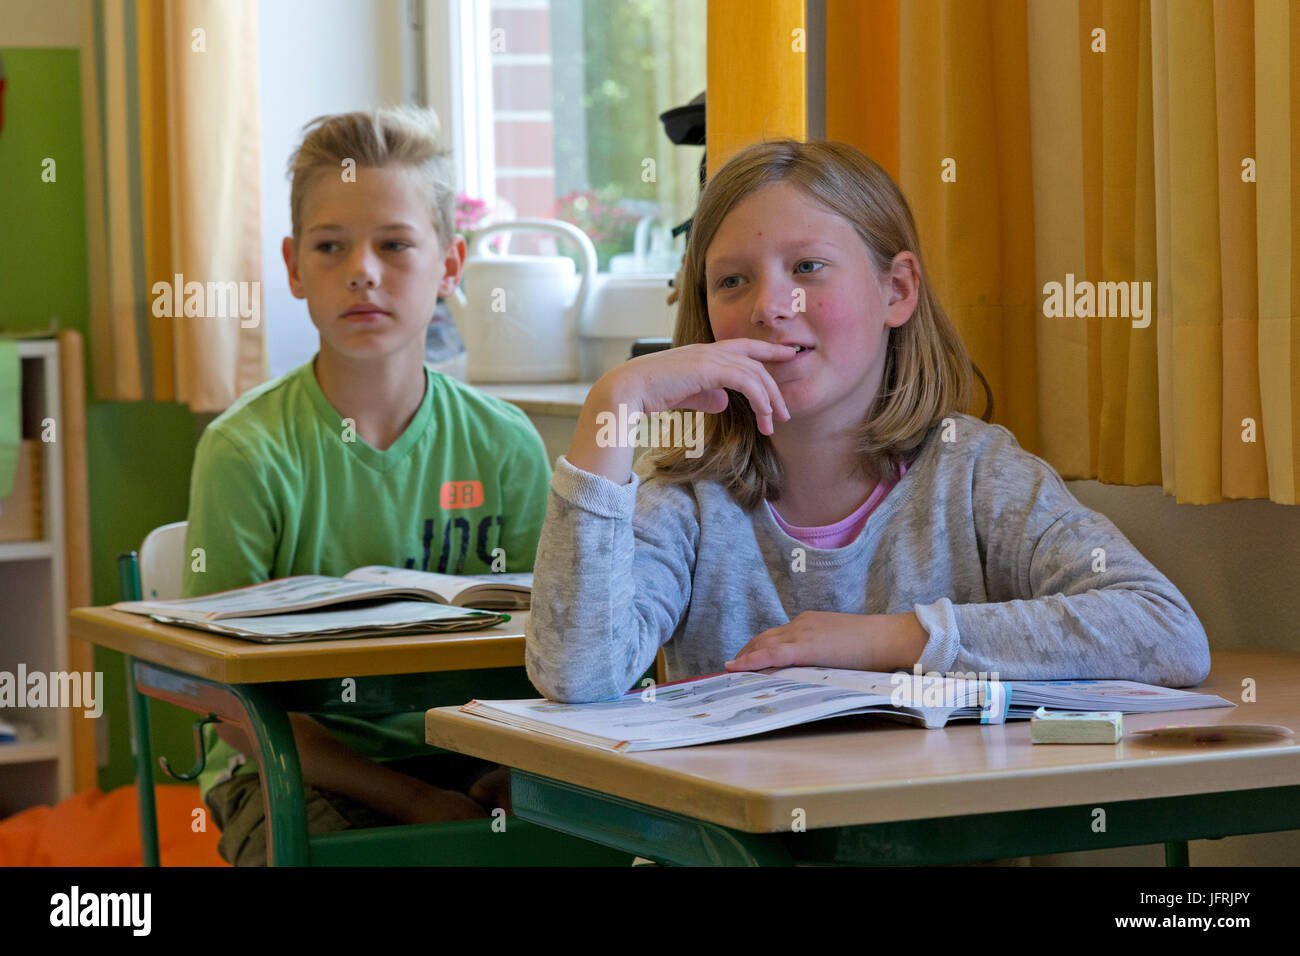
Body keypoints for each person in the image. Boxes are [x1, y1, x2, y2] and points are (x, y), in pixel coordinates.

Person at [525, 138, 1209, 704]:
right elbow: (577, 676)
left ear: (897, 289)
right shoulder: (685, 503)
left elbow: (1165, 630)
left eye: (808, 267)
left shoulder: (975, 476)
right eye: (732, 281)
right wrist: (611, 408)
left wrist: (882, 640)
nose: (771, 305)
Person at [183, 106, 550, 865]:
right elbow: (229, 707)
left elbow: (552, 657)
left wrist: (508, 772)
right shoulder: (244, 451)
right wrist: (419, 802)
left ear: (450, 265)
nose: (362, 271)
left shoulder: (506, 444)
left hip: (484, 761)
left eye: (394, 244)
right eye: (330, 246)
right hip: (289, 768)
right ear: (292, 266)